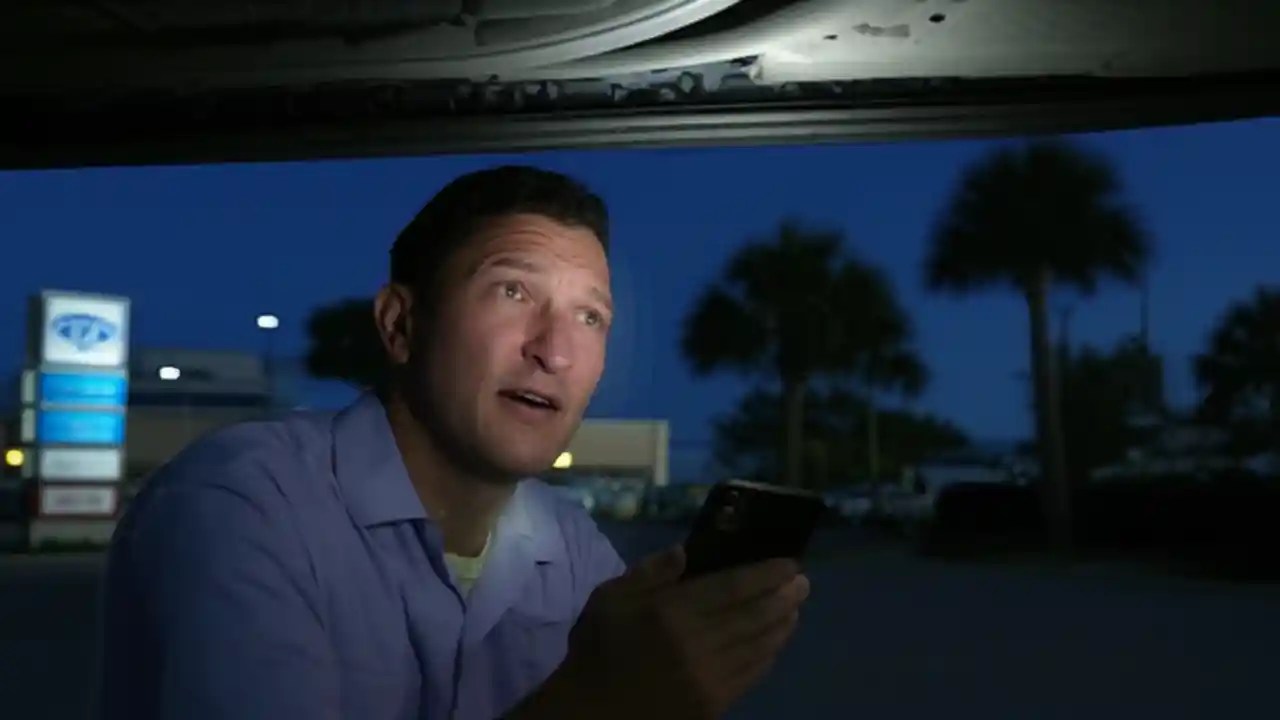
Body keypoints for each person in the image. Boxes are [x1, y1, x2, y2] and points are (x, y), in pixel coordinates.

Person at [97, 165, 810, 720]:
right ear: (401, 325)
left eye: (590, 317)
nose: (555, 351)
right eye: (512, 293)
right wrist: (598, 703)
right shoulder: (245, 503)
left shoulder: (574, 550)